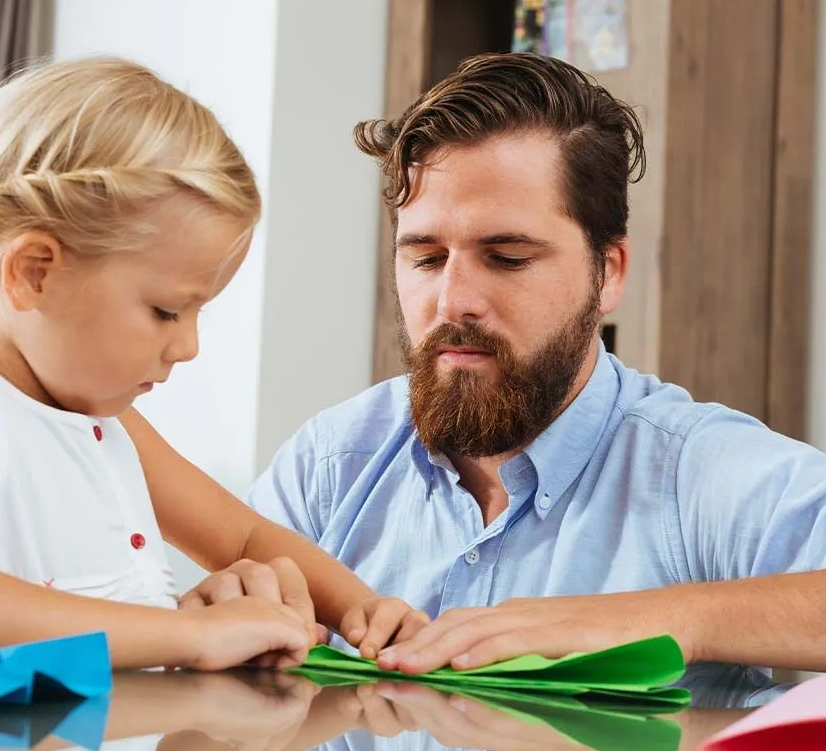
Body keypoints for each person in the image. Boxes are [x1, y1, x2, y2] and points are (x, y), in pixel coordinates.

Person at [166, 52, 826, 673]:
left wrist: (655, 619)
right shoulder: (329, 468)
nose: (453, 300)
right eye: (425, 257)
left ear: (609, 273)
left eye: (507, 258)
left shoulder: (696, 476)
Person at [0, 56, 422, 671]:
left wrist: (364, 610)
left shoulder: (98, 423)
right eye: (168, 311)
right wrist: (193, 635)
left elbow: (245, 538)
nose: (188, 345)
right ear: (35, 271)